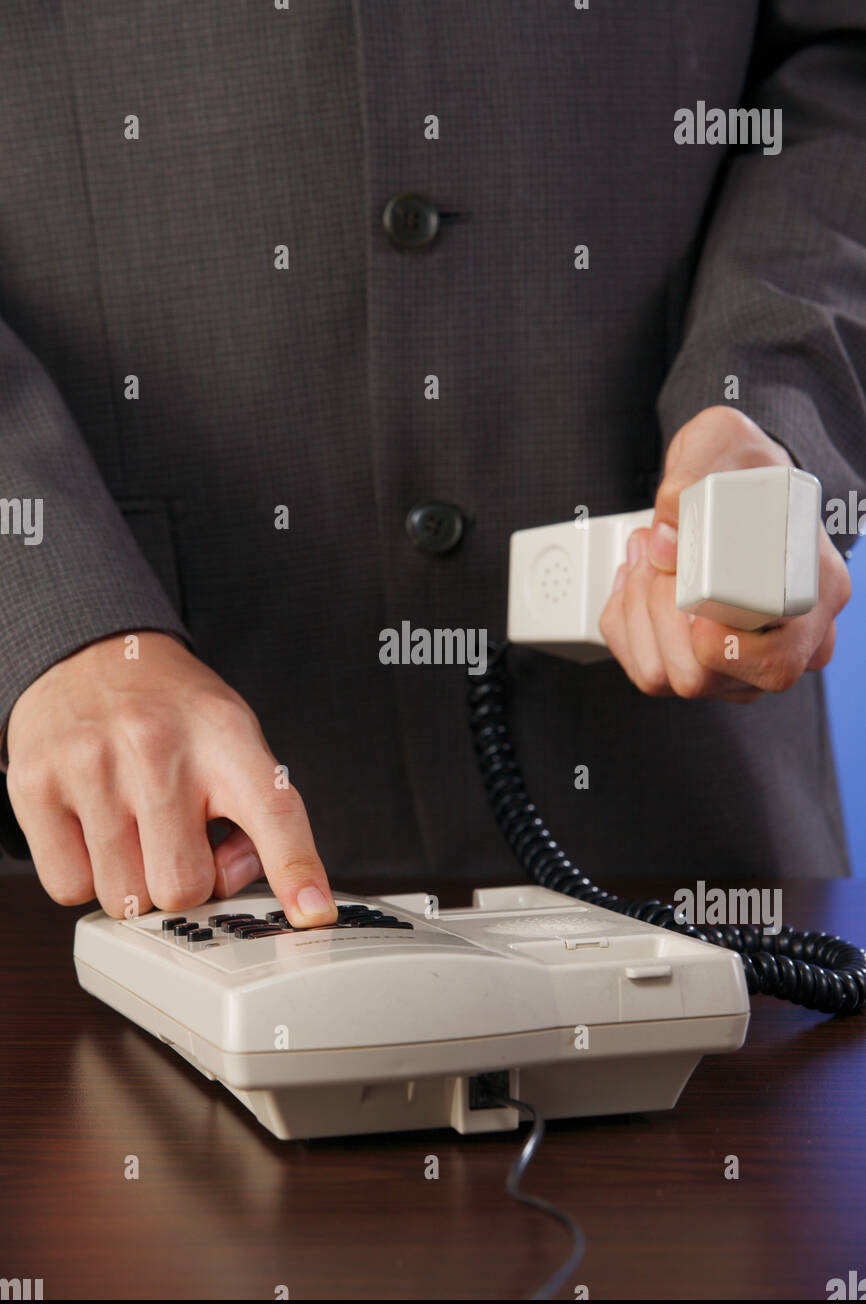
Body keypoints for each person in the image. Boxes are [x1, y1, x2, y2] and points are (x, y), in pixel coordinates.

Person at [0, 2, 862, 926]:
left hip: (694, 836)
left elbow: (842, 64)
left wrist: (763, 399)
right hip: (119, 851)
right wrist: (53, 605)